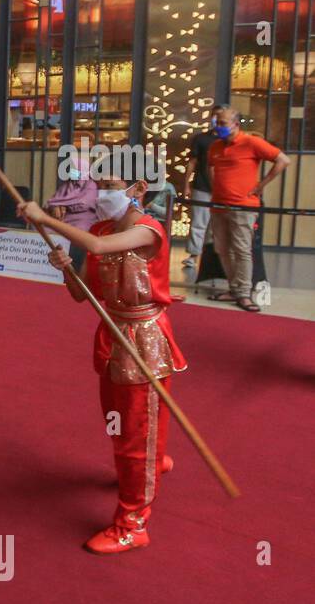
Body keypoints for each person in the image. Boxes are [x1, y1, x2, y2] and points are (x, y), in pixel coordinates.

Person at [18, 174, 186, 555]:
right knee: (117, 420)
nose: (102, 193)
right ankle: (150, 462)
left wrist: (44, 217)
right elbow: (82, 295)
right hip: (113, 337)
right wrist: (65, 268)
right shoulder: (102, 228)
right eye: (100, 185)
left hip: (144, 340)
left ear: (139, 189)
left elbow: (96, 245)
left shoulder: (149, 230)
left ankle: (132, 524)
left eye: (111, 185)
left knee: (135, 429)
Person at [206, 106, 288, 313]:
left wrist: (260, 186)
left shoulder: (251, 142)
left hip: (242, 206)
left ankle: (243, 293)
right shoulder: (215, 146)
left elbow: (282, 160)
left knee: (242, 249)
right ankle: (235, 289)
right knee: (222, 249)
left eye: (222, 123)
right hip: (218, 205)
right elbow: (211, 168)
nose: (218, 127)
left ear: (236, 123)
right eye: (216, 122)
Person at [47, 154, 99, 271]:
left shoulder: (91, 185)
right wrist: (56, 206)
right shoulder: (68, 185)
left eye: (75, 169)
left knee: (77, 232)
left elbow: (83, 204)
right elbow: (53, 200)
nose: (72, 172)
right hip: (66, 218)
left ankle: (72, 264)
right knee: (46, 230)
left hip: (84, 219)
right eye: (71, 169)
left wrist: (65, 205)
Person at [181, 120, 218, 270]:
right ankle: (194, 255)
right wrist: (186, 185)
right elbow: (192, 162)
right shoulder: (201, 139)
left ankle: (212, 258)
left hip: (224, 190)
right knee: (198, 223)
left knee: (217, 226)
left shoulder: (231, 141)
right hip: (202, 186)